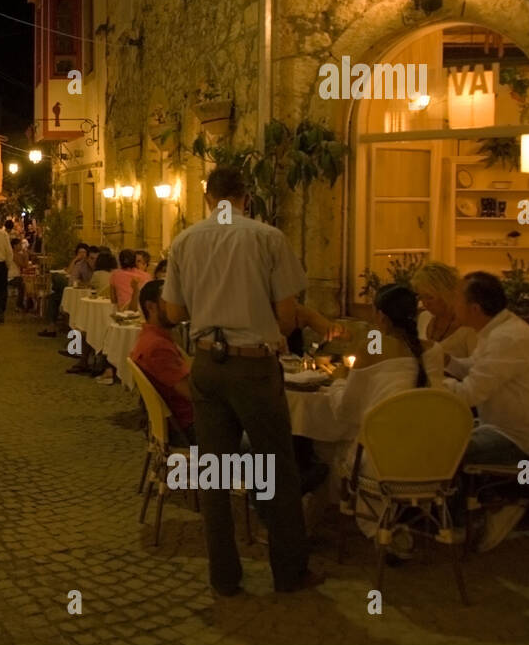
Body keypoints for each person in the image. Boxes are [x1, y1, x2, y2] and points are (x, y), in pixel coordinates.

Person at [162, 165, 319, 595]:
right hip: (253, 364)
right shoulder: (268, 238)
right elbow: (287, 317)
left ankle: (224, 577)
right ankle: (289, 572)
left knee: (215, 472)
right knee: (275, 469)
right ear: (245, 197)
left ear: (209, 198)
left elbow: (173, 313)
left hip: (208, 363)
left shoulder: (185, 241)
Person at [442, 271, 529, 552]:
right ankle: (464, 513)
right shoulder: (498, 330)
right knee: (443, 436)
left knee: (444, 447)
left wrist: (433, 383)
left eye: (457, 300)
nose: (453, 306)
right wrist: (443, 359)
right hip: (507, 427)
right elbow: (475, 369)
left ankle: (468, 519)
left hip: (520, 439)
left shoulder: (506, 339)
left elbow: (469, 393)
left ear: (475, 309)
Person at [328, 283, 444, 558]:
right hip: (434, 461)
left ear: (380, 316)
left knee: (331, 448)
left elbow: (345, 411)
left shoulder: (371, 349)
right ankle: (395, 521)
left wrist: (337, 382)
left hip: (382, 464)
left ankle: (373, 525)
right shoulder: (434, 351)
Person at [129, 280, 196, 444]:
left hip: (186, 422)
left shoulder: (151, 338)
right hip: (191, 428)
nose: (177, 308)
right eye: (169, 302)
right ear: (151, 307)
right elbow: (193, 393)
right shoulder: (157, 347)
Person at [412, 261, 477, 360]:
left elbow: (477, 368)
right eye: (421, 297)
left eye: (430, 297)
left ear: (447, 293)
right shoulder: (424, 317)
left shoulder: (469, 327)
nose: (425, 303)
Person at [38, 243, 90, 338]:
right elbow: (69, 273)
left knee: (56, 283)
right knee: (53, 297)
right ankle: (51, 327)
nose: (82, 254)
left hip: (82, 293)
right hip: (73, 290)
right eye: (80, 252)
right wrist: (75, 260)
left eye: (84, 252)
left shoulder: (90, 264)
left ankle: (52, 328)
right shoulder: (78, 264)